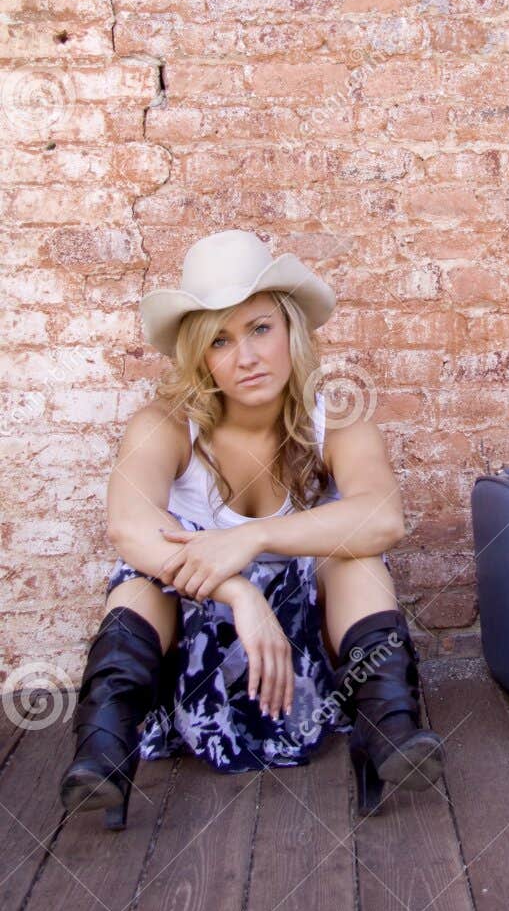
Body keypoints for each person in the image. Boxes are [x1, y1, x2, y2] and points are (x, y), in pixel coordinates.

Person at [58, 228, 445, 830]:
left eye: (260, 328)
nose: (246, 356)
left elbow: (382, 517)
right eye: (221, 339)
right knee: (139, 576)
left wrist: (254, 538)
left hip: (301, 651)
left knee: (358, 556)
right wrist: (236, 589)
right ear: (199, 356)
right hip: (195, 641)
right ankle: (105, 752)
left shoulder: (335, 420)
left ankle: (389, 730)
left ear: (292, 329)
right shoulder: (166, 423)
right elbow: (128, 525)